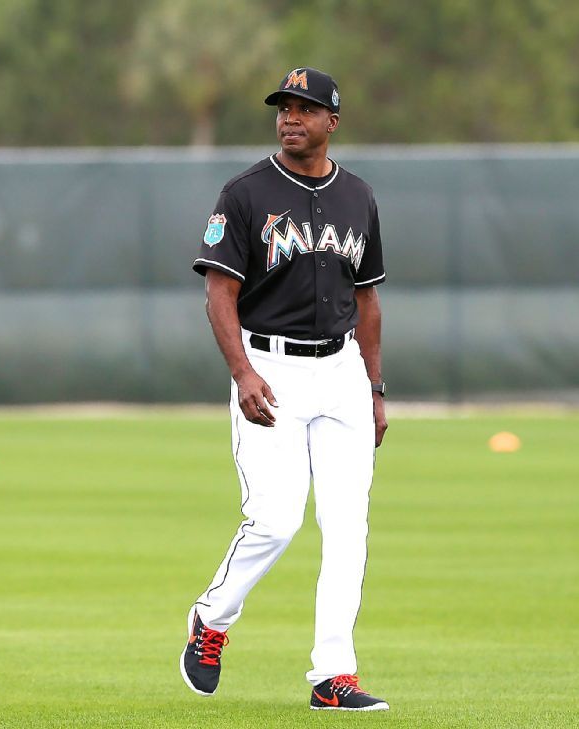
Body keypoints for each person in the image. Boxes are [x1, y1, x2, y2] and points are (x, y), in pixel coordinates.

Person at [180, 66, 390, 712]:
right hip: (272, 370)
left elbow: (368, 300)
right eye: (283, 107)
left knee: (348, 525)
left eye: (305, 108)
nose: (291, 117)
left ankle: (334, 675)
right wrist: (242, 371)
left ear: (332, 121)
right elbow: (220, 292)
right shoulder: (245, 193)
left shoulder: (358, 197)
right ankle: (212, 618)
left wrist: (375, 386)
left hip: (343, 371)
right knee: (274, 520)